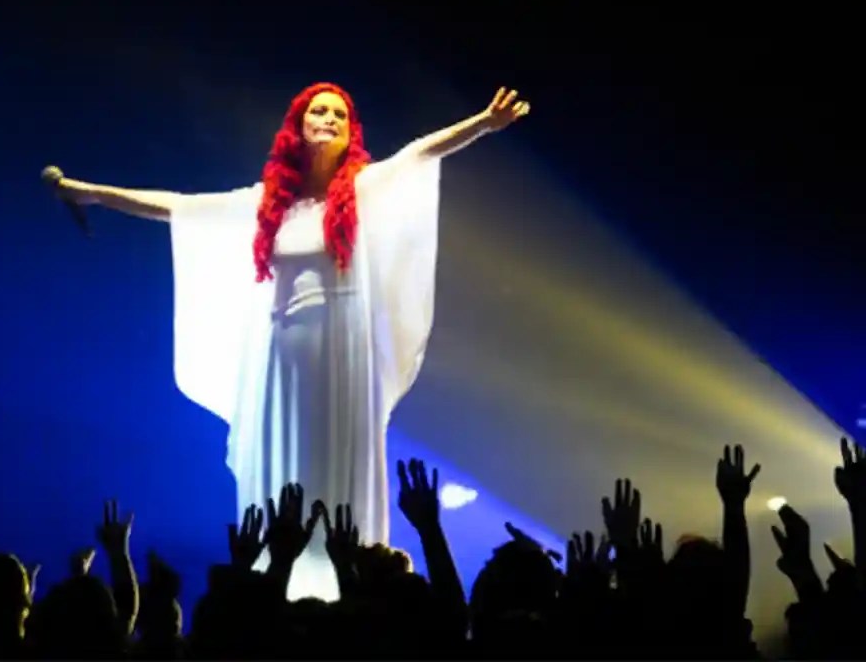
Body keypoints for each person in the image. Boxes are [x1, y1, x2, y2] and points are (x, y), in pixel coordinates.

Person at [55, 83, 530, 599]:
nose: (328, 118)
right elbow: (180, 208)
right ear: (298, 126)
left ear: (351, 131)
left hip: (345, 352)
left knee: (341, 459)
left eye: (339, 114)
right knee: (286, 465)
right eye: (317, 111)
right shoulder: (268, 204)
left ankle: (354, 582)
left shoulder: (364, 189)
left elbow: (421, 152)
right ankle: (273, 586)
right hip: (281, 355)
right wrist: (93, 193)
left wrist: (483, 122)